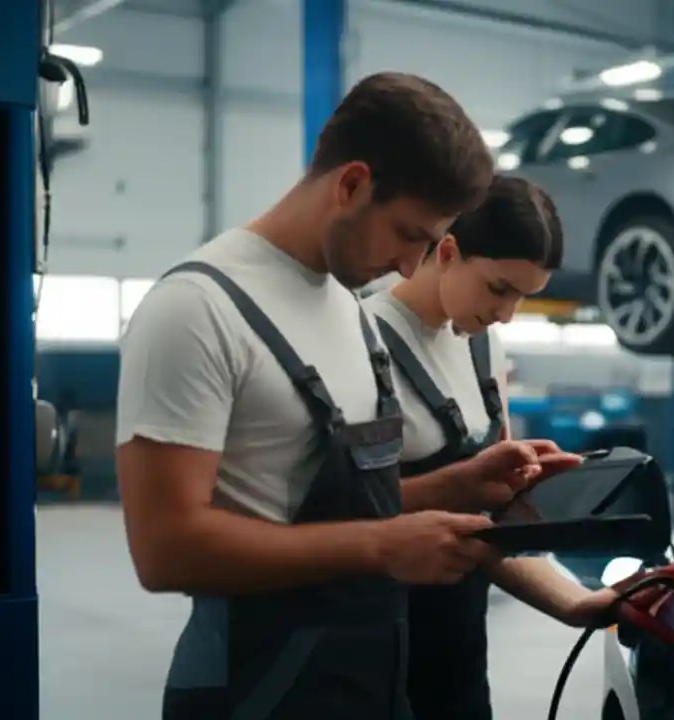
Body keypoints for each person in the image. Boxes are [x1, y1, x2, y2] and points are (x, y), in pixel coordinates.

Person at [115, 72, 544, 720]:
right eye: (409, 234)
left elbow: (329, 504)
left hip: (365, 687)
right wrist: (384, 546)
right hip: (254, 693)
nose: (411, 266)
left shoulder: (349, 312)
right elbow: (165, 548)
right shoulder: (198, 310)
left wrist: (458, 485)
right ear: (351, 185)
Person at [362, 175, 620, 720]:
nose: (506, 313)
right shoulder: (360, 342)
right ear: (447, 252)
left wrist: (575, 603)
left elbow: (486, 529)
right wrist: (458, 486)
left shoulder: (482, 345)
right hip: (367, 669)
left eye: (522, 296)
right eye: (499, 288)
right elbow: (330, 515)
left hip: (456, 669)